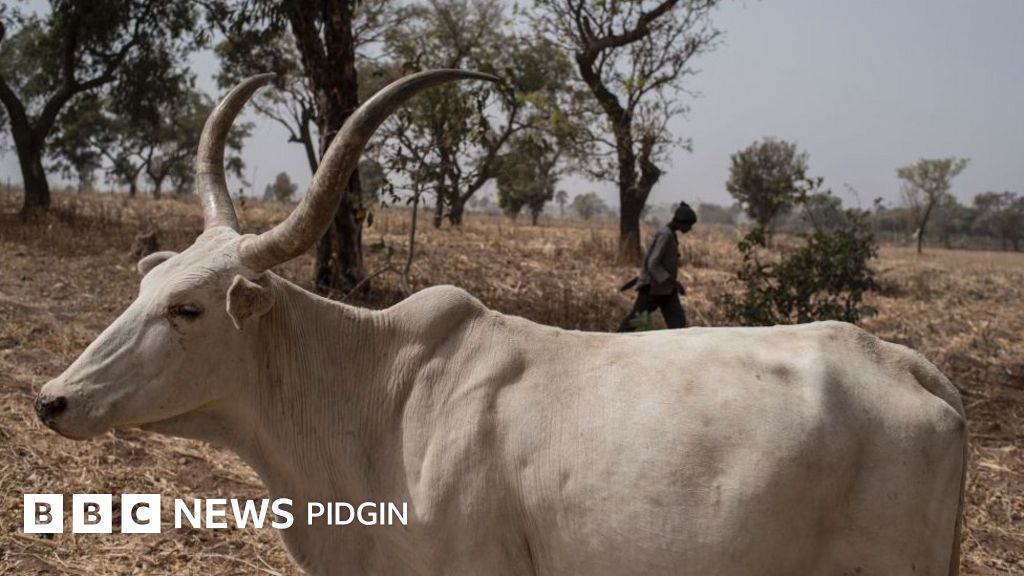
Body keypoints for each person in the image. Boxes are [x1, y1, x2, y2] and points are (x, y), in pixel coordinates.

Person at [617, 202, 697, 331]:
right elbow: (653, 262)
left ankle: (677, 349)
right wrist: (672, 281)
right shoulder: (666, 235)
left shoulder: (669, 234)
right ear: (682, 222)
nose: (690, 229)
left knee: (678, 326)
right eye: (689, 225)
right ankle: (615, 343)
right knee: (635, 320)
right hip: (652, 288)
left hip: (665, 289)